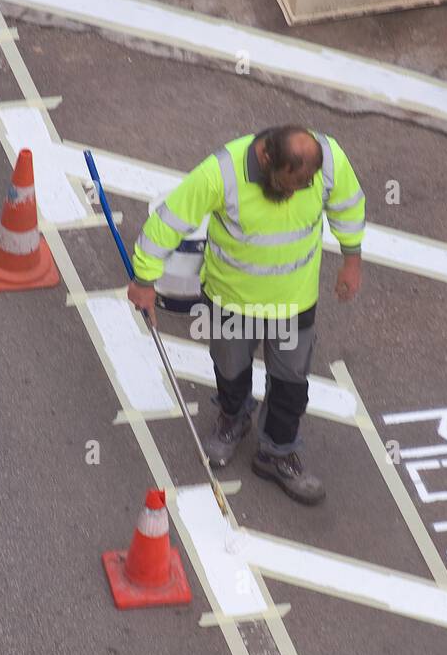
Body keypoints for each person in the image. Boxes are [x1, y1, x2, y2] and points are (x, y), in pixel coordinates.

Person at [128, 126, 365, 503]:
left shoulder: (328, 159)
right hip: (232, 301)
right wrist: (144, 279)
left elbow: (348, 206)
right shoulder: (220, 173)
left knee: (291, 383)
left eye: (305, 185)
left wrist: (352, 259)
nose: (295, 191)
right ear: (266, 157)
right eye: (290, 182)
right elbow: (168, 223)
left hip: (293, 304)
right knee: (231, 371)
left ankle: (277, 451)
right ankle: (232, 420)